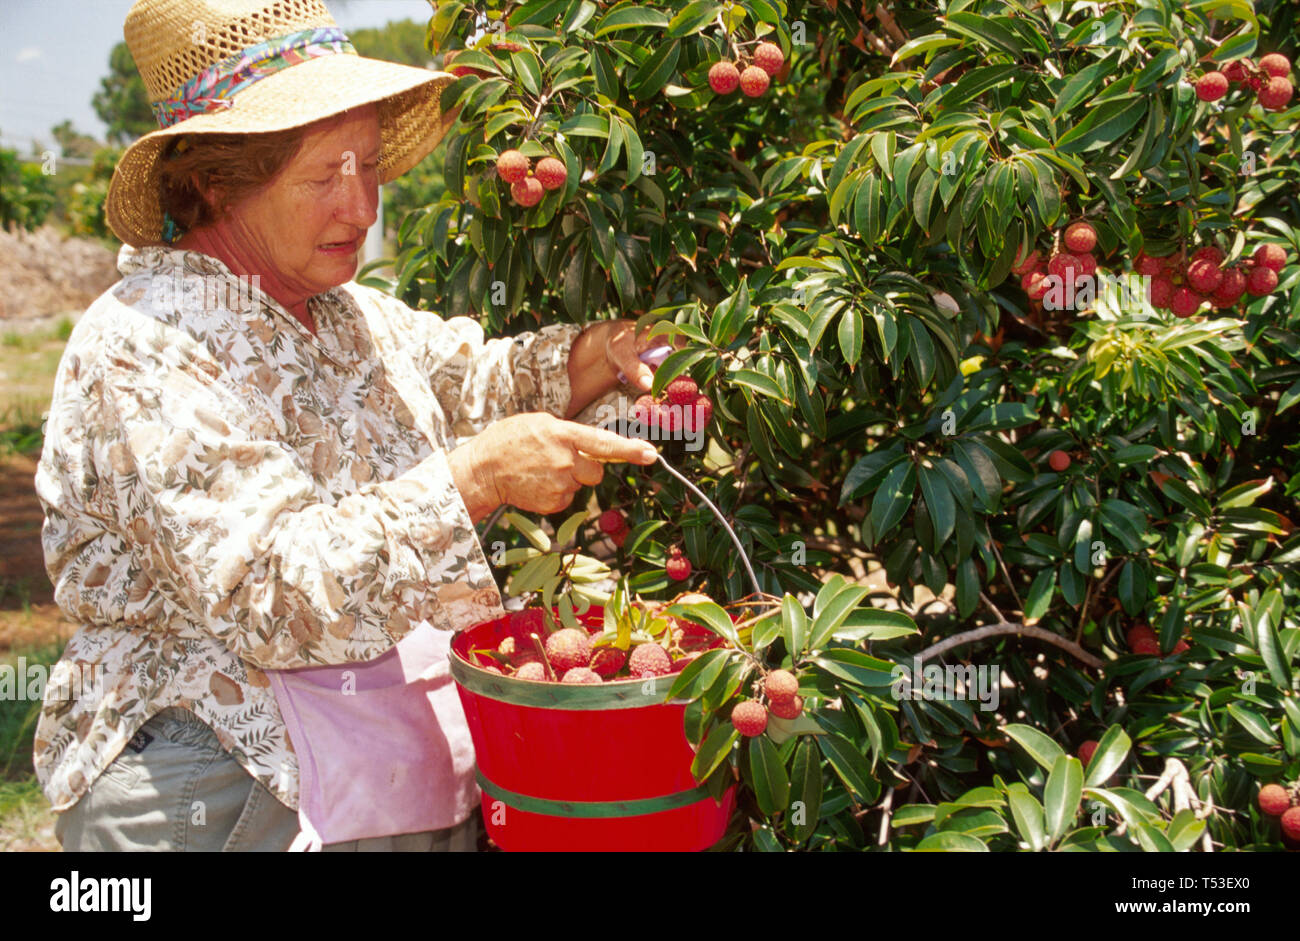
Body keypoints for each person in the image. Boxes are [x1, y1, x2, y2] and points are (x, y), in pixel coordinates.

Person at [33, 0, 659, 851]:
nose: (361, 207)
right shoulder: (147, 342)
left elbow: (480, 382)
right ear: (217, 179)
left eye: (368, 166)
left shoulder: (343, 312)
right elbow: (269, 594)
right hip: (220, 794)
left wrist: (608, 355)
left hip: (378, 782)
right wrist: (473, 478)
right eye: (325, 173)